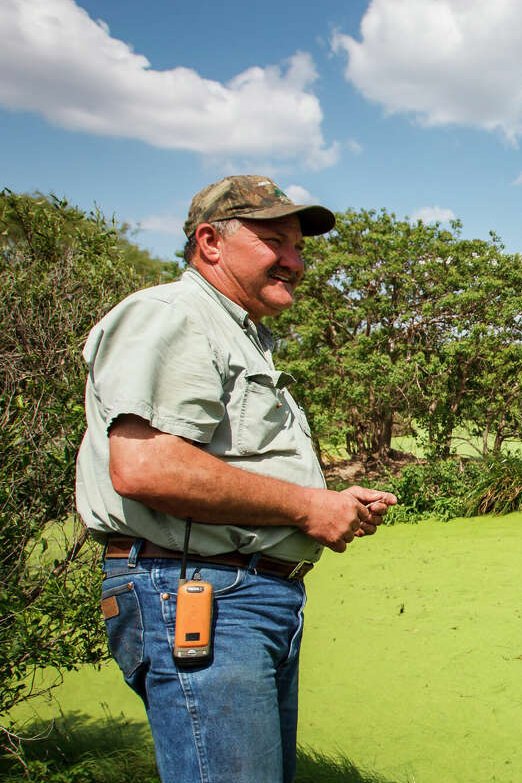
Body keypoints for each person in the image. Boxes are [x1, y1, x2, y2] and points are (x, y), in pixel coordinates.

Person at [75, 175, 397, 783]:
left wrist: (327, 502)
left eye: (299, 247)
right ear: (210, 242)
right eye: (275, 241)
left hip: (241, 598)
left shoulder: (236, 333)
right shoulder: (172, 315)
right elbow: (145, 465)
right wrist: (305, 507)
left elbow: (227, 461)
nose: (295, 261)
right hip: (196, 594)